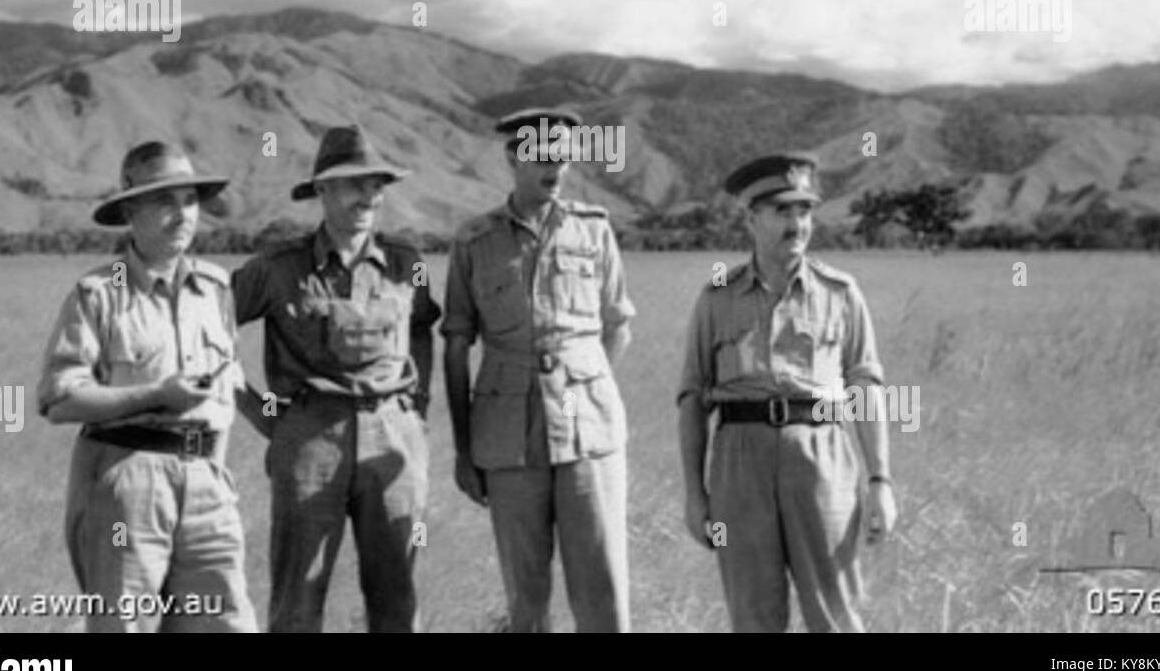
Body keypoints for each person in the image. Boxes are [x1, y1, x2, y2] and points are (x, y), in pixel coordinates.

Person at [38, 141, 256, 633]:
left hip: (208, 484)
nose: (181, 215)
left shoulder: (216, 288)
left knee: (227, 623)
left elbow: (229, 381)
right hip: (127, 482)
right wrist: (157, 395)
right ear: (130, 210)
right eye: (164, 202)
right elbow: (57, 398)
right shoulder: (99, 293)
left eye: (189, 201)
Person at [676, 152, 898, 632]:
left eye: (805, 211)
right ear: (751, 218)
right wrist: (695, 495)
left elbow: (865, 384)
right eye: (782, 210)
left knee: (835, 613)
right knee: (754, 617)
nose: (797, 223)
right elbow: (692, 397)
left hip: (821, 457)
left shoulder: (841, 293)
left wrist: (880, 481)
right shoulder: (717, 296)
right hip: (739, 461)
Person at [232, 124, 439, 632]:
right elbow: (204, 330)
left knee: (397, 600)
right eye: (352, 183)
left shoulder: (406, 264)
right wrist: (264, 415)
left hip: (393, 438)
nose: (367, 195)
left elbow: (421, 330)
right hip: (309, 442)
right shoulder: (278, 269)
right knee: (297, 601)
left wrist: (417, 408)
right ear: (321, 189)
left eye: (375, 184)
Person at [443, 107, 634, 632]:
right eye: (542, 156)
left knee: (602, 591)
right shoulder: (474, 242)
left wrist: (584, 380)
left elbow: (618, 324)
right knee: (526, 598)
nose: (555, 167)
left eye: (564, 157)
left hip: (589, 435)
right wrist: (464, 450)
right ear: (513, 158)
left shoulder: (594, 231)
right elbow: (456, 345)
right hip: (507, 440)